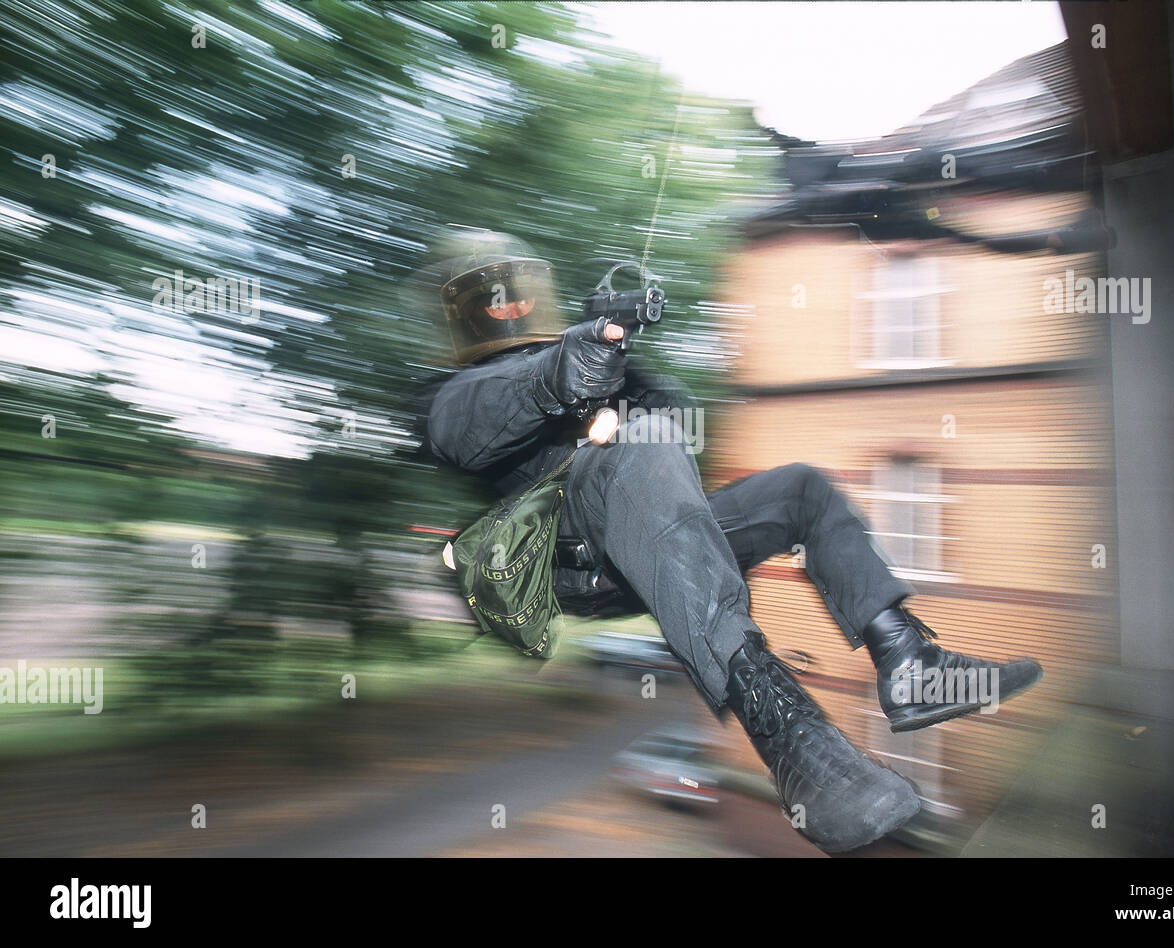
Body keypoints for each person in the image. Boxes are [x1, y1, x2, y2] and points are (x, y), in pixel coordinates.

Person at [417, 229, 1043, 853]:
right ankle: (789, 736)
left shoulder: (593, 364)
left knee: (799, 487)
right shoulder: (459, 395)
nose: (508, 307)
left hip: (654, 538)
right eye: (492, 300)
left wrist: (615, 358)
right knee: (649, 440)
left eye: (514, 294)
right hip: (577, 559)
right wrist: (565, 370)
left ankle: (906, 660)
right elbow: (475, 422)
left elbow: (682, 421)